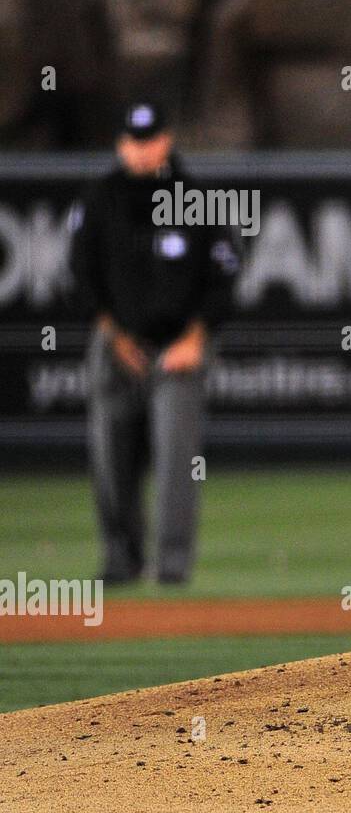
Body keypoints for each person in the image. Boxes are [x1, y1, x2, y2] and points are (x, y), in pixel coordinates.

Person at [66, 102, 242, 585]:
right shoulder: (100, 199)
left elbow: (225, 278)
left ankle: (171, 566)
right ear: (121, 144)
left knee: (175, 460)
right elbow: (81, 274)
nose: (141, 150)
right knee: (111, 459)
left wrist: (196, 337)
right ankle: (120, 560)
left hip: (179, 347)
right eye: (132, 141)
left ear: (166, 140)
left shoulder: (198, 198)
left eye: (149, 140)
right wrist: (113, 334)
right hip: (115, 346)